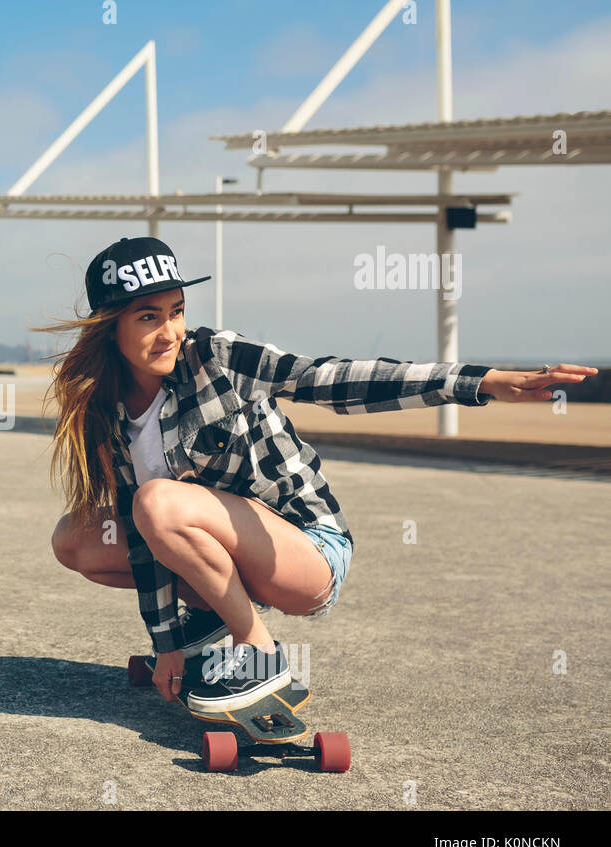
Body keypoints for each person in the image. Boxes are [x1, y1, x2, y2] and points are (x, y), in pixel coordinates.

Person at [43, 236, 597, 713]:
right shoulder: (108, 413)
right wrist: (167, 643)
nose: (168, 331)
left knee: (157, 503)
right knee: (78, 539)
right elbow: (144, 544)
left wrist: (481, 382)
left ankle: (259, 651)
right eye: (148, 316)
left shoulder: (216, 357)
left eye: (176, 310)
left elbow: (330, 380)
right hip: (221, 550)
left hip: (304, 552)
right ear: (108, 328)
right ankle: (208, 622)